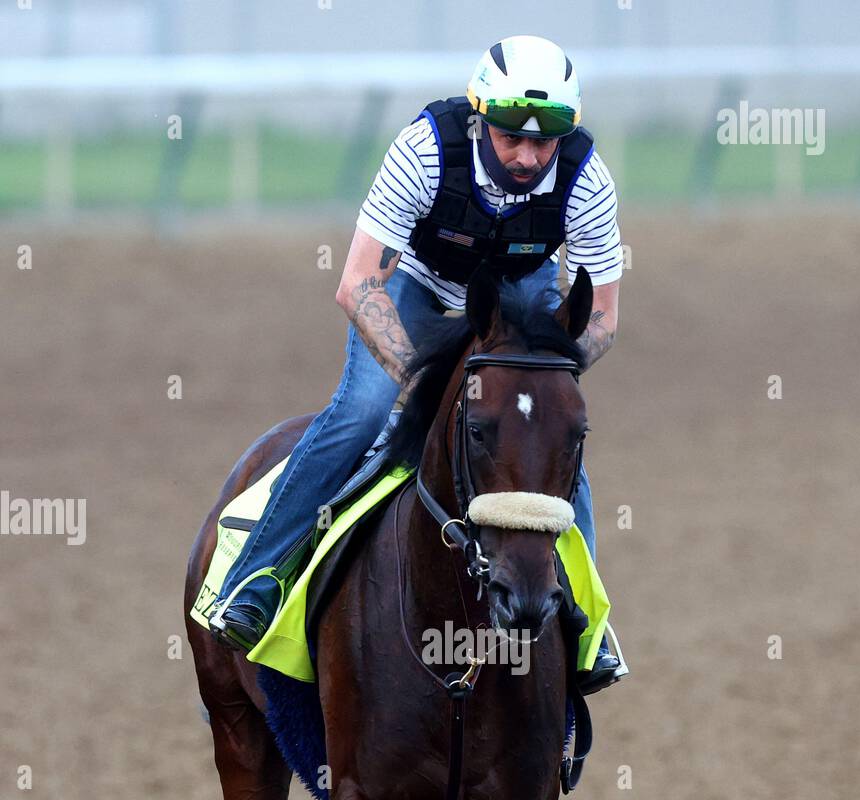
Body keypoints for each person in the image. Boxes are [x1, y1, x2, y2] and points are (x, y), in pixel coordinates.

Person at [211, 33, 625, 691]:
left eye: (543, 142)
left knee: (546, 432)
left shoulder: (588, 178)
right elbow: (357, 284)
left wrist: (546, 375)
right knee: (364, 411)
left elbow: (601, 316)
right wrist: (425, 379)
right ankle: (257, 579)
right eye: (510, 138)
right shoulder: (426, 148)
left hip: (519, 298)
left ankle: (588, 632)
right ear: (480, 119)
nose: (526, 156)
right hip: (417, 289)